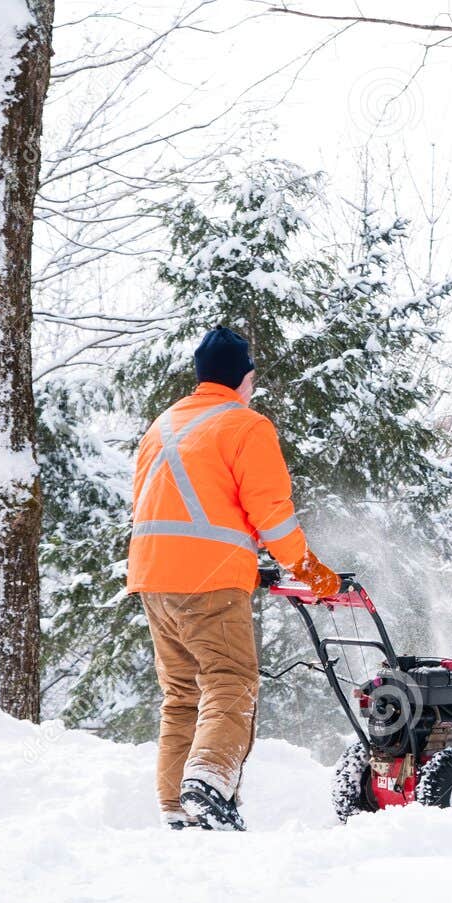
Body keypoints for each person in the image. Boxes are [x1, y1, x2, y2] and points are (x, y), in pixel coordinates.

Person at [126, 326, 340, 830]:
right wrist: (306, 568)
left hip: (153, 577)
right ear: (244, 377)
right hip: (209, 581)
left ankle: (176, 807)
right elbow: (271, 512)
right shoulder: (246, 425)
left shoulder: (163, 425)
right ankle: (210, 783)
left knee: (182, 694)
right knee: (231, 681)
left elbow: (170, 504)